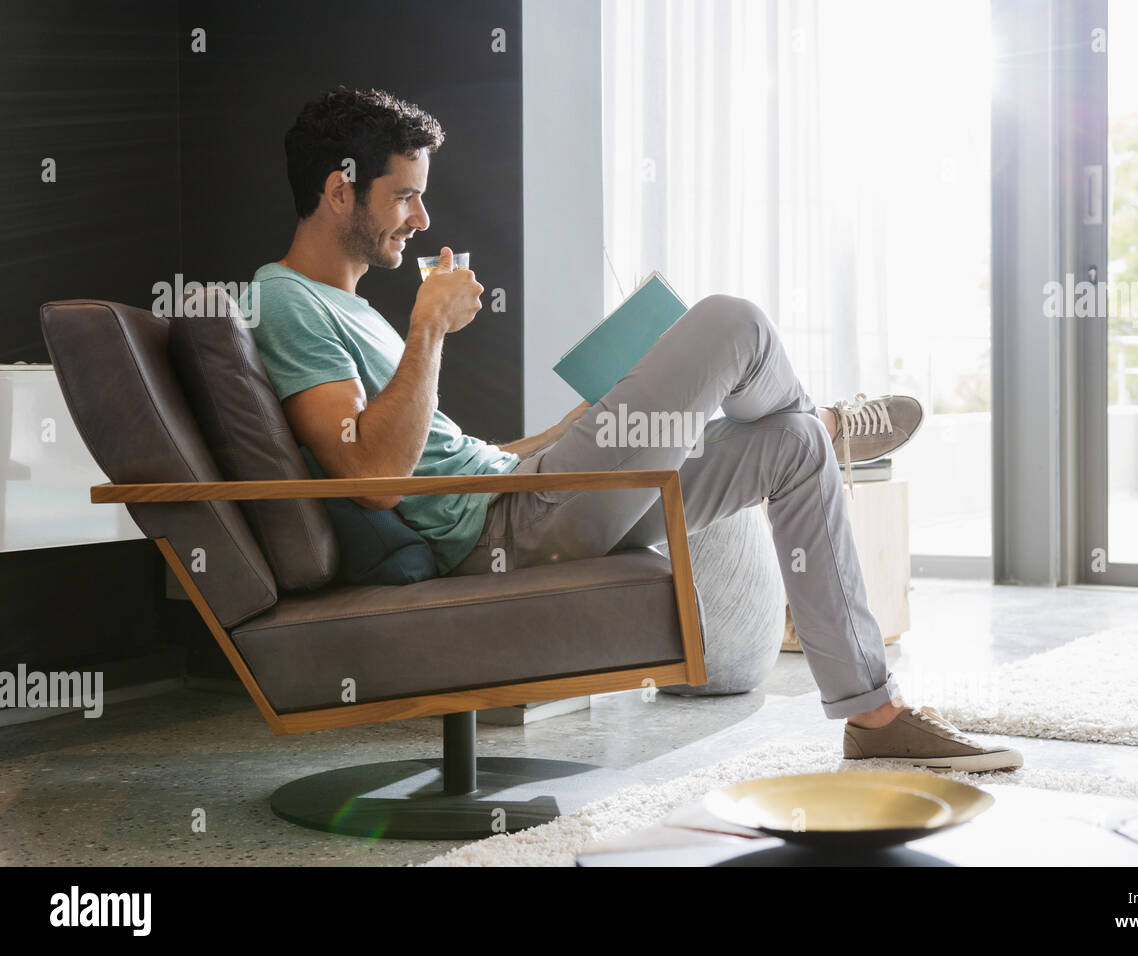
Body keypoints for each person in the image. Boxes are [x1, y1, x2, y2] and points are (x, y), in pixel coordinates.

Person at [250, 87, 1022, 772]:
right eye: (404, 197)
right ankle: (822, 412)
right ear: (339, 191)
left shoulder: (350, 309)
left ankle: (873, 716)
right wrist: (430, 330)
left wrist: (553, 436)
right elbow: (372, 479)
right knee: (732, 322)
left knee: (793, 447)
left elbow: (431, 460)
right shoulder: (288, 301)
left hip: (524, 491)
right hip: (504, 530)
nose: (421, 218)